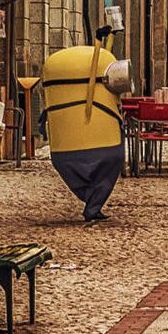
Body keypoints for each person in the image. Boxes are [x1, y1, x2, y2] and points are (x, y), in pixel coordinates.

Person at [41, 26, 132, 222]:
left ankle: (93, 204)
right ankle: (93, 204)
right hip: (104, 140)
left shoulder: (101, 60)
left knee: (105, 164)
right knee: (109, 163)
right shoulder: (102, 61)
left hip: (68, 145)